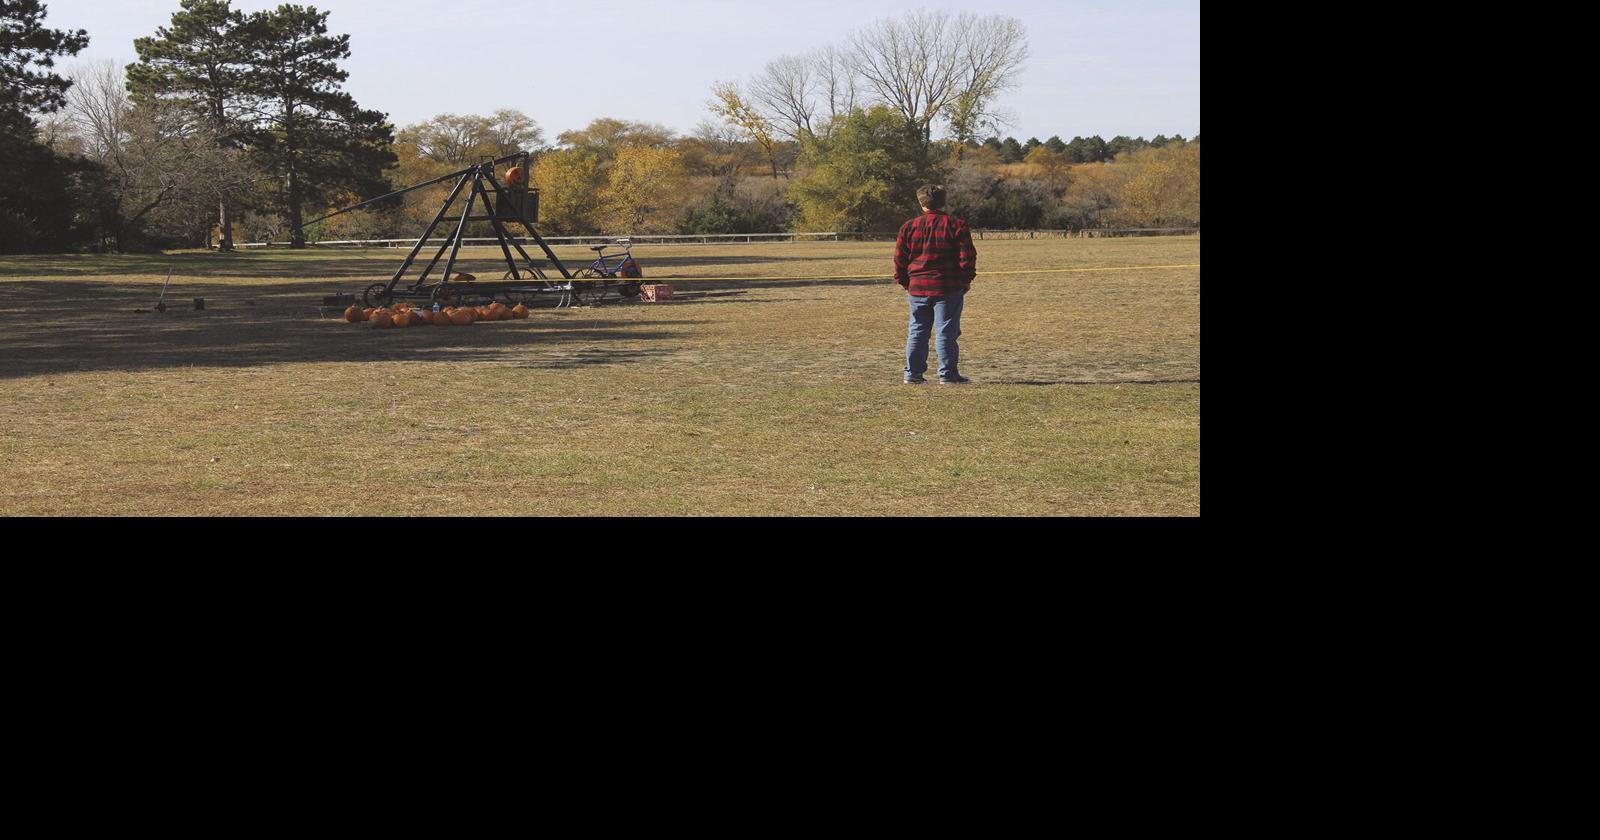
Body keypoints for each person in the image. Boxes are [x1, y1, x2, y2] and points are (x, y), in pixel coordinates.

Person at [894, 185, 977, 384]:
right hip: (947, 286)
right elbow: (967, 257)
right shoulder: (956, 225)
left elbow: (900, 260)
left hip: (917, 287)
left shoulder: (909, 226)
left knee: (917, 330)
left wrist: (907, 282)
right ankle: (947, 375)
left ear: (921, 202)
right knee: (946, 331)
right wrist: (965, 280)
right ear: (943, 201)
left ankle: (913, 374)